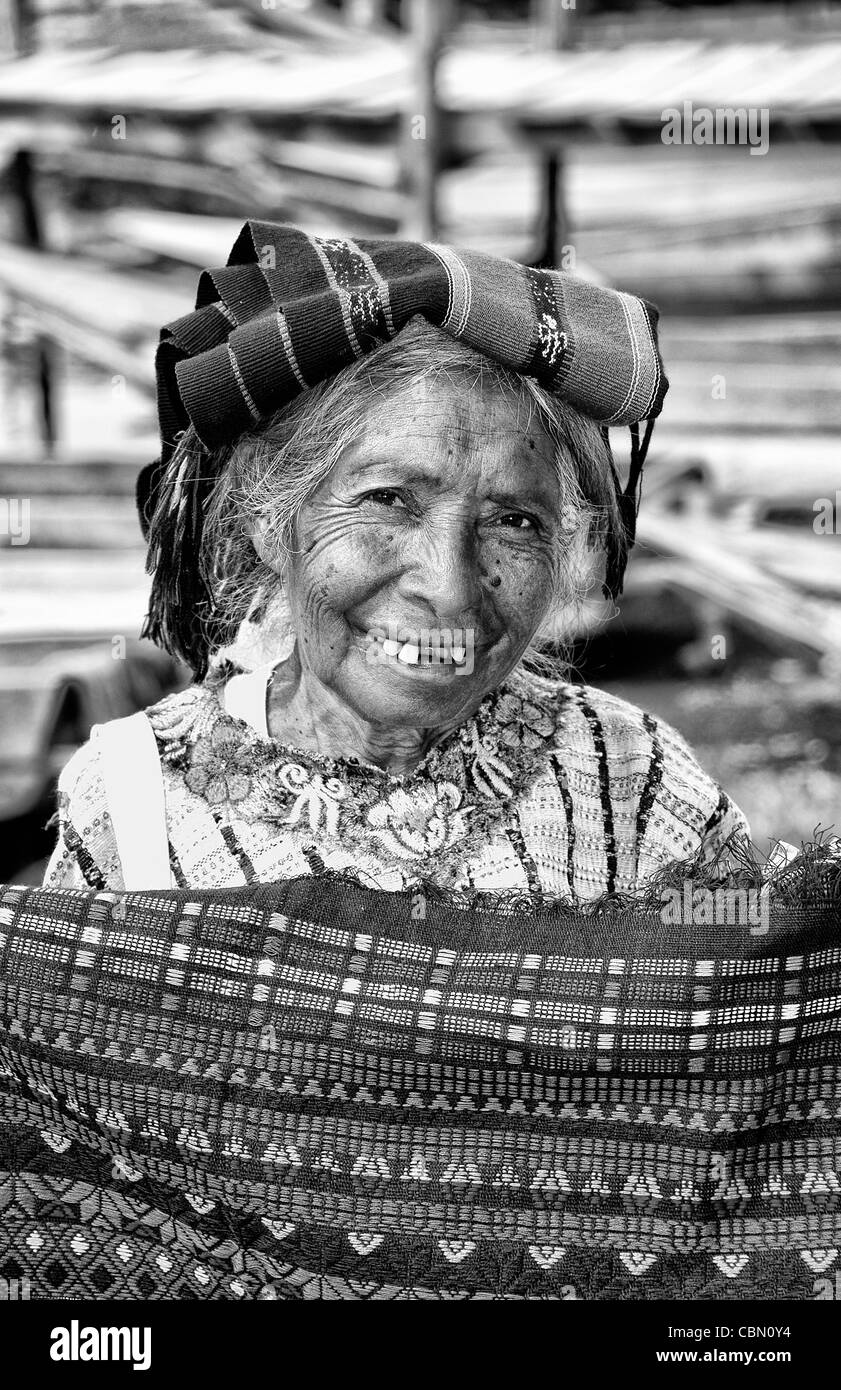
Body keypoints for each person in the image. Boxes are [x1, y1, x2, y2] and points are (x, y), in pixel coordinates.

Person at [43, 220, 748, 899]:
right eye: (388, 500)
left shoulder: (633, 785)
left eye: (512, 521)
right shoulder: (134, 806)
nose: (448, 589)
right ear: (267, 517)